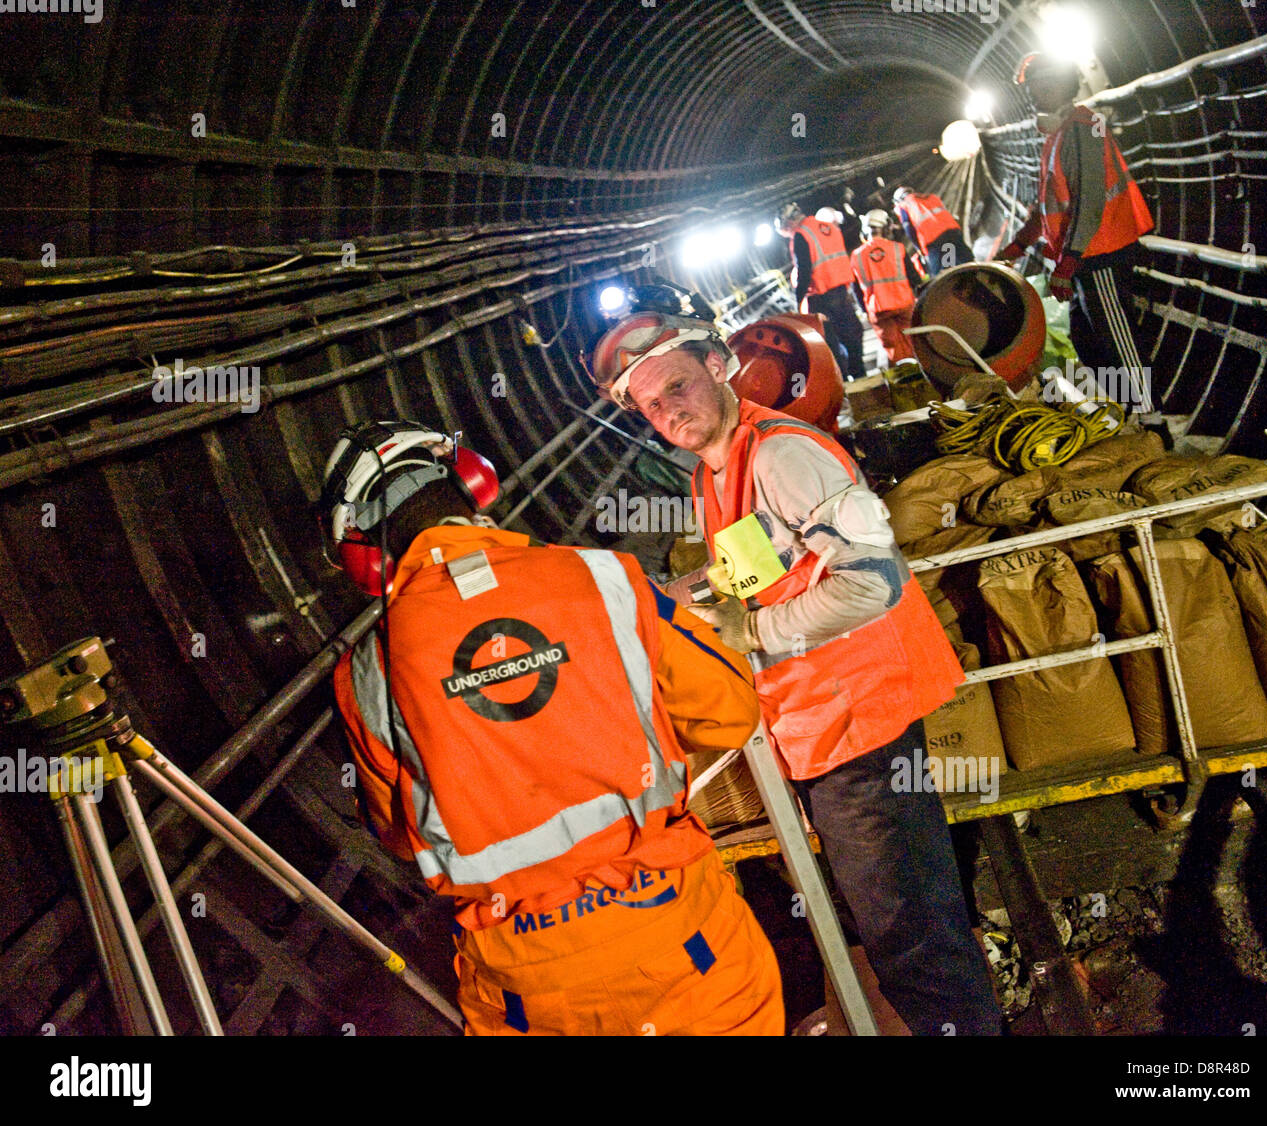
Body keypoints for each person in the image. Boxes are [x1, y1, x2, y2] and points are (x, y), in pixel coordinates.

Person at [583, 290, 1004, 1036]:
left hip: (859, 721)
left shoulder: (781, 453)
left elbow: (874, 582)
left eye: (677, 384)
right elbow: (759, 564)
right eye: (650, 405)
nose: (668, 411)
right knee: (897, 918)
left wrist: (754, 631)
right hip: (818, 724)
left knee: (910, 934)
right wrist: (670, 599)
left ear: (719, 365)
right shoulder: (715, 469)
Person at [324, 419, 784, 1036]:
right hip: (685, 954)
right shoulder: (605, 579)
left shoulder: (366, 676)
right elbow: (730, 712)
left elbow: (402, 836)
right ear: (474, 484)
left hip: (531, 997)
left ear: (362, 553)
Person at [996, 52, 1163, 430]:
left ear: (1063, 85)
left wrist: (1067, 263)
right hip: (1083, 254)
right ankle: (1125, 412)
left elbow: (1089, 200)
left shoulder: (1086, 126)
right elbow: (1050, 203)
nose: (1035, 95)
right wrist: (1020, 244)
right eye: (1032, 88)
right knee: (1089, 341)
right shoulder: (1056, 134)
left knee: (1119, 339)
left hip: (1101, 250)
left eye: (1042, 85)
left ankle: (1154, 420)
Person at [774, 201, 867, 381]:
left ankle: (843, 380)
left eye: (786, 231)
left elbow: (804, 270)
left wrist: (799, 299)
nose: (788, 235)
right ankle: (859, 372)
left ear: (789, 222)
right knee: (851, 333)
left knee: (829, 341)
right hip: (841, 290)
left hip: (821, 295)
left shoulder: (801, 235)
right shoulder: (828, 227)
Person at [850, 209, 926, 365]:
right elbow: (915, 278)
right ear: (885, 228)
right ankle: (922, 372)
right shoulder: (897, 248)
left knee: (893, 347)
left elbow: (856, 289)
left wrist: (865, 310)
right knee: (914, 340)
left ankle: (905, 378)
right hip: (904, 303)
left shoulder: (856, 255)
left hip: (878, 309)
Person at [893, 186, 973, 276]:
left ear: (899, 200)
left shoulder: (904, 205)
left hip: (933, 240)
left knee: (938, 276)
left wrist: (919, 249)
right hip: (953, 232)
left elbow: (909, 230)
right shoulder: (931, 197)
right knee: (968, 263)